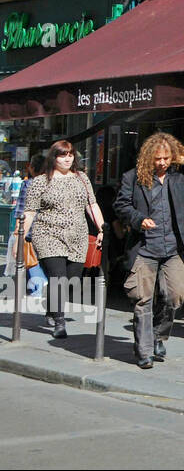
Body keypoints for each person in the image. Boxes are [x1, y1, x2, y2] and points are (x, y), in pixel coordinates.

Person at [114, 132, 184, 368]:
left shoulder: (180, 176)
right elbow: (121, 205)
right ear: (148, 158)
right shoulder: (132, 178)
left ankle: (158, 335)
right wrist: (138, 219)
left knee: (174, 296)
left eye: (166, 158)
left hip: (174, 247)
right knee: (142, 299)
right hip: (144, 247)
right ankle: (144, 351)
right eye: (157, 158)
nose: (162, 162)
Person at [20, 142, 106, 340]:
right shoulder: (41, 181)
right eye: (62, 155)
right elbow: (30, 211)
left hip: (77, 236)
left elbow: (92, 205)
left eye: (70, 155)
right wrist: (20, 236)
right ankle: (60, 321)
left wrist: (101, 228)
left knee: (69, 279)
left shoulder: (82, 179)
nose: (67, 158)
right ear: (54, 157)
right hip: (48, 234)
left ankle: (51, 308)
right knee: (58, 277)